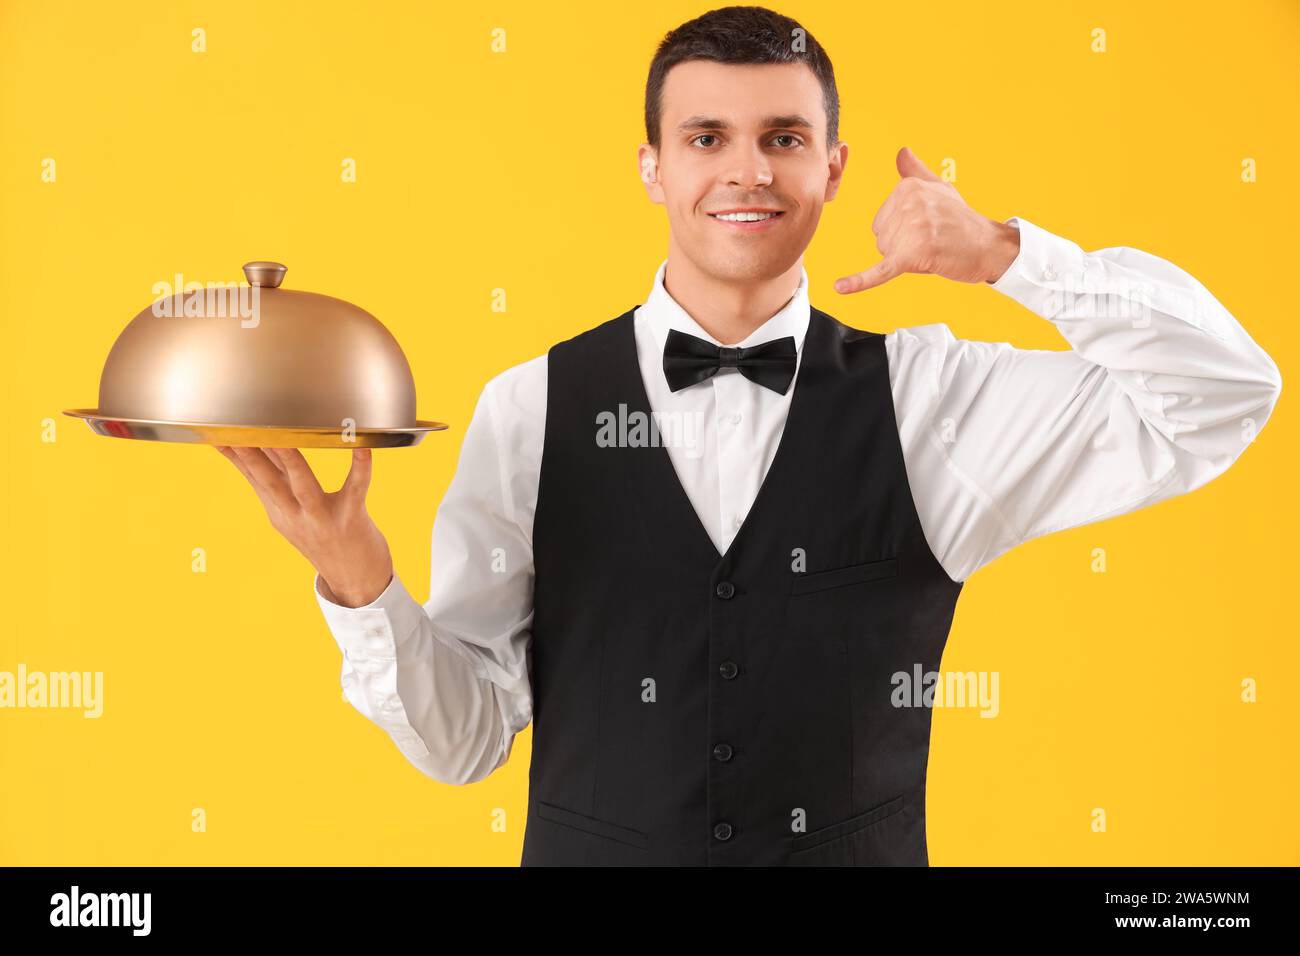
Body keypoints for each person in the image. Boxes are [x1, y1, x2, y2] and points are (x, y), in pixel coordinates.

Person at [215, 6, 1282, 866]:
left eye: (783, 138)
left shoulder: (931, 397)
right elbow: (465, 742)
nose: (747, 172)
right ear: (652, 168)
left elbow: (1224, 392)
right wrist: (360, 581)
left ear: (833, 166)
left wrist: (1008, 254)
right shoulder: (529, 407)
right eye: (705, 138)